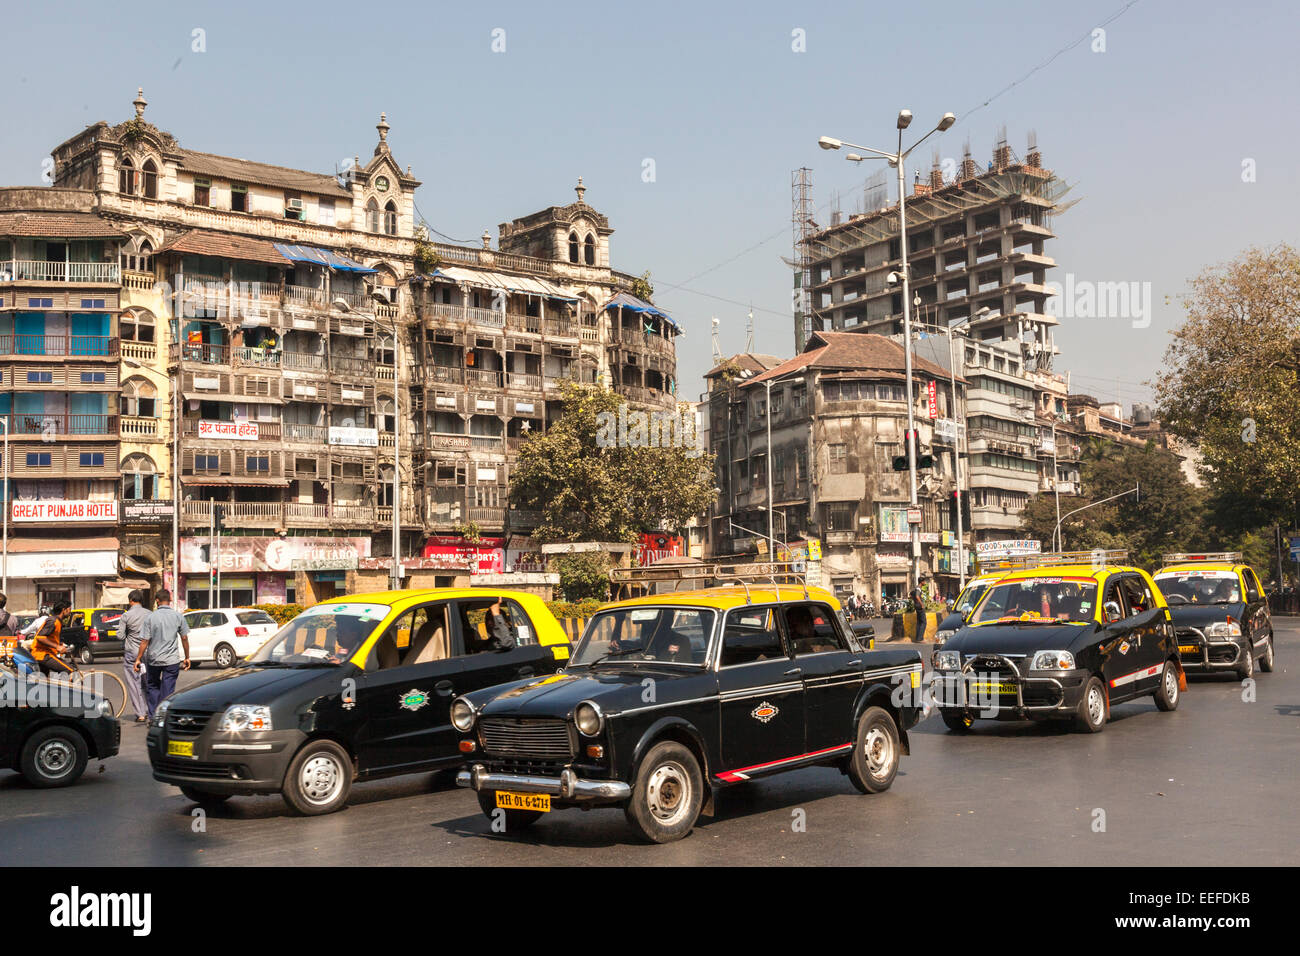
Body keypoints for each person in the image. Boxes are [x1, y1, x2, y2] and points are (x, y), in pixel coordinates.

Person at [135, 590, 191, 718]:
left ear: (157, 601)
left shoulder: (150, 618)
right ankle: (164, 716)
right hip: (172, 661)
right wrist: (187, 657)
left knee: (153, 687)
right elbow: (184, 638)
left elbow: (145, 641)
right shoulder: (178, 616)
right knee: (168, 689)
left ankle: (153, 716)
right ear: (170, 601)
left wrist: (138, 659)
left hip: (154, 660)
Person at [118, 590, 152, 723]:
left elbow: (120, 635)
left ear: (131, 600)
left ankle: (140, 713)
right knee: (148, 681)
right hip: (148, 652)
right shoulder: (149, 614)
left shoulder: (126, 616)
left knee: (134, 682)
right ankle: (151, 709)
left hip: (132, 653)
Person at [31, 604, 75, 677]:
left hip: (45, 654)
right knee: (69, 670)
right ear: (63, 610)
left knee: (43, 680)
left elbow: (49, 637)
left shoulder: (57, 621)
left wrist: (60, 644)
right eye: (69, 609)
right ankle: (63, 688)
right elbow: (40, 637)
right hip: (42, 654)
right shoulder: (53, 621)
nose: (70, 612)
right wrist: (57, 646)